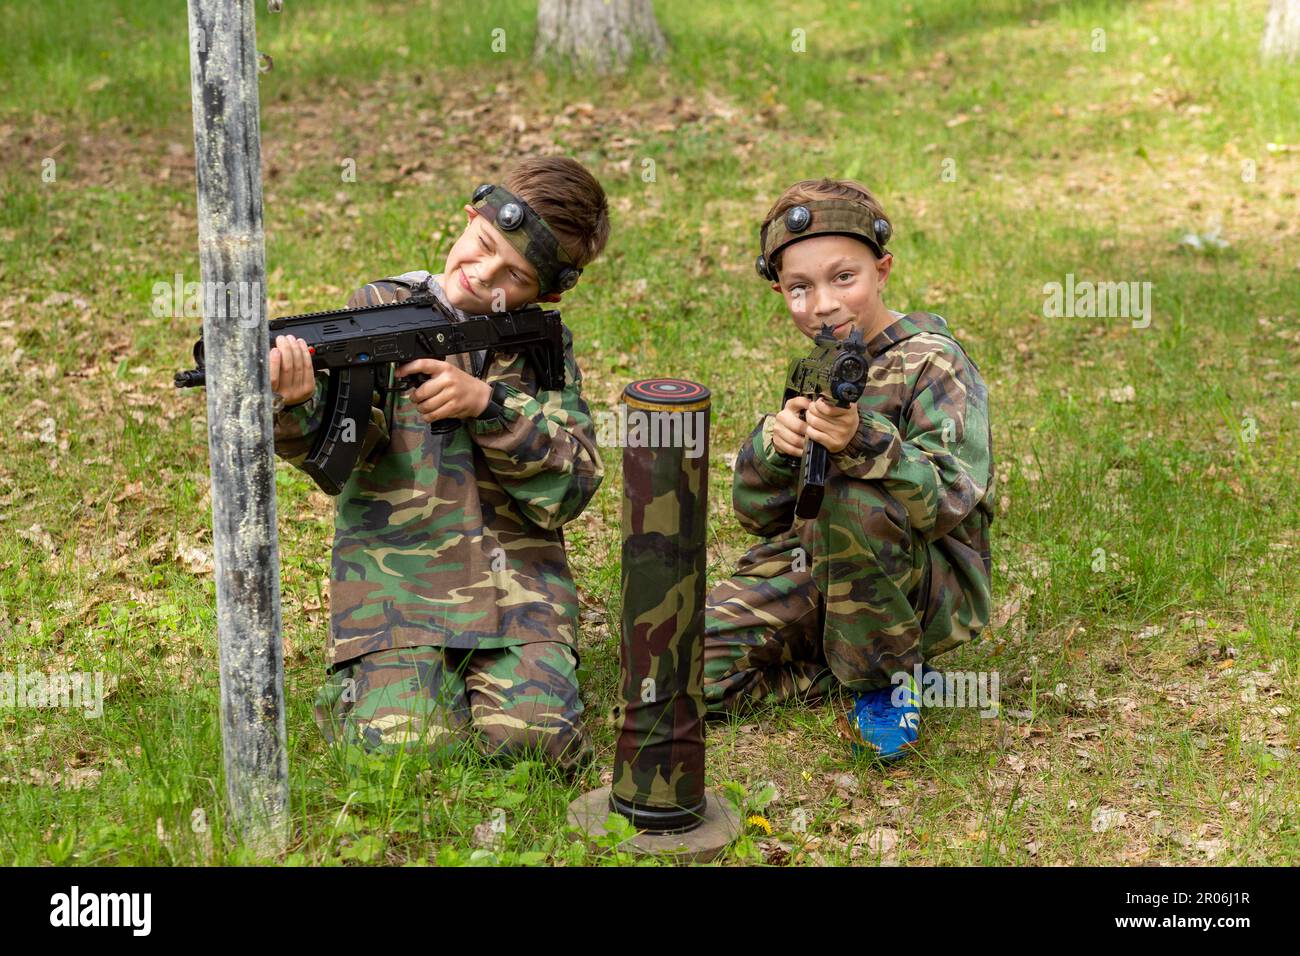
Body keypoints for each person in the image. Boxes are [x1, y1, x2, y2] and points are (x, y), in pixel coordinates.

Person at [270, 157, 610, 773]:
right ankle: (362, 686)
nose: (482, 275)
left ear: (547, 294)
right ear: (469, 217)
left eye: (515, 275)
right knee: (409, 752)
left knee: (539, 746)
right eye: (481, 246)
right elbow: (344, 451)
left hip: (517, 594)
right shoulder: (377, 308)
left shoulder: (541, 346)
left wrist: (489, 405)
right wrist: (295, 402)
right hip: (396, 590)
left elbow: (573, 482)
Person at [703, 177, 995, 761]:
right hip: (817, 564)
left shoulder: (932, 363)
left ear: (882, 270)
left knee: (854, 500)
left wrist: (863, 442)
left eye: (844, 278)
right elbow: (759, 520)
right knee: (677, 672)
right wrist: (773, 449)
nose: (824, 305)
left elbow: (948, 501)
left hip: (917, 580)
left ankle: (884, 680)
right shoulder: (821, 364)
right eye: (798, 289)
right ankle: (836, 664)